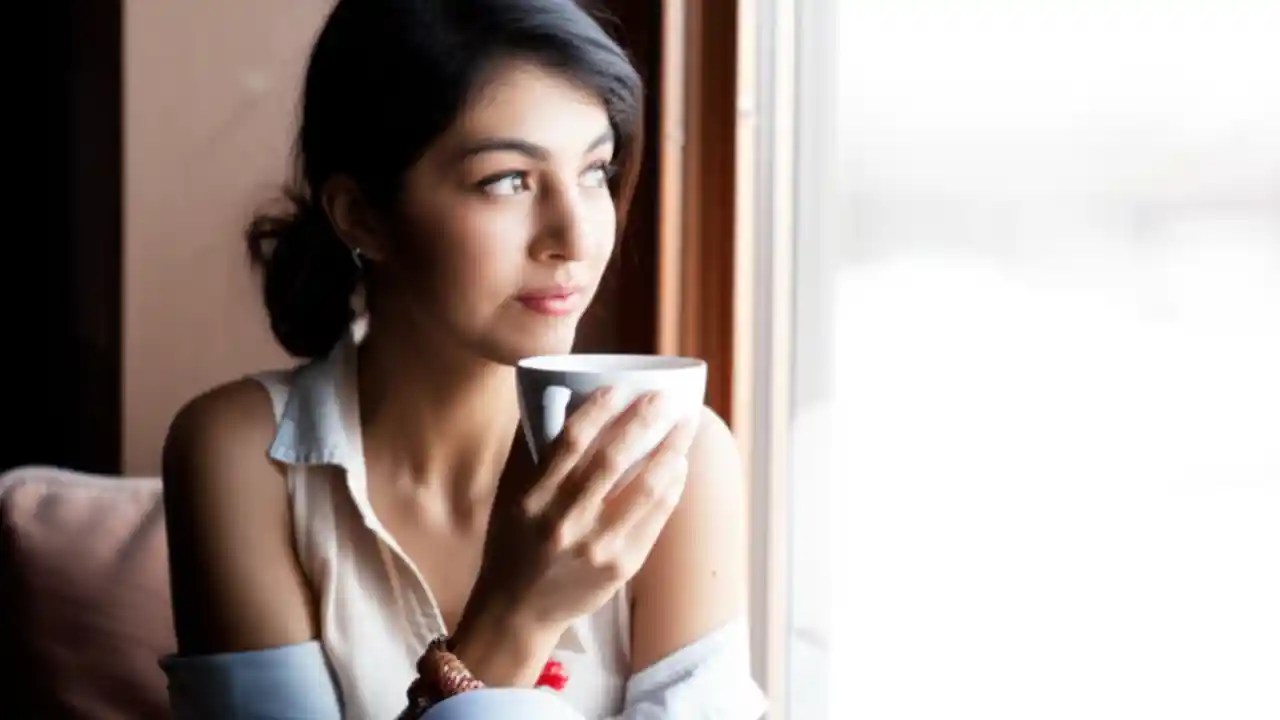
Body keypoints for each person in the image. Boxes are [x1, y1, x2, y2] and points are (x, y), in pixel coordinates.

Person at [159, 0, 765, 717]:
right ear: (361, 214)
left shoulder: (672, 458)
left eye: (595, 171)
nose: (573, 237)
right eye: (507, 179)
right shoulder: (242, 455)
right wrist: (518, 616)